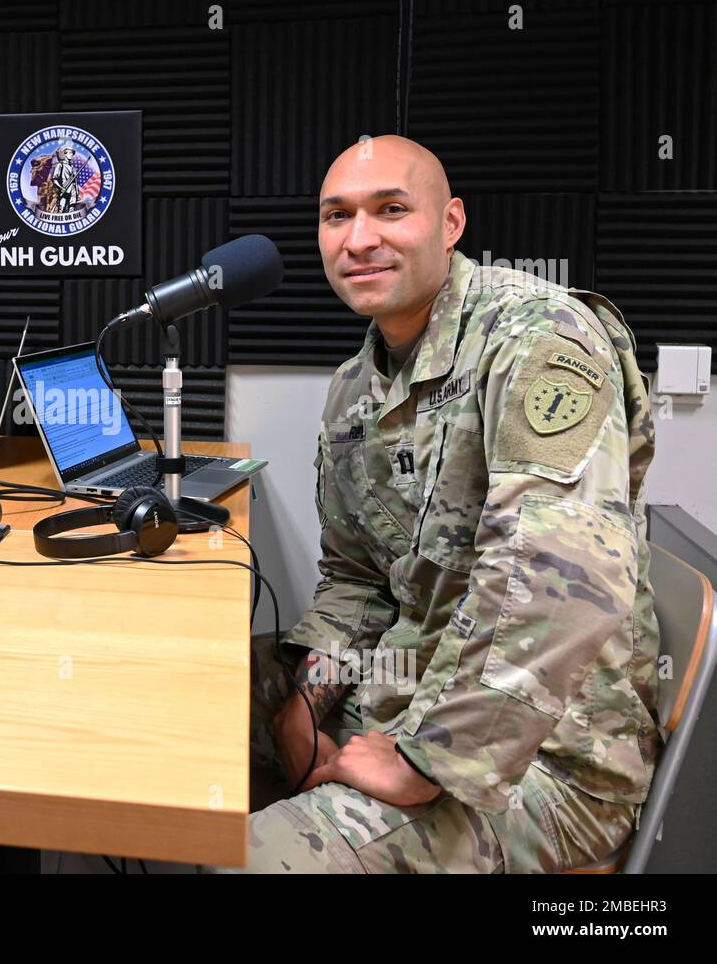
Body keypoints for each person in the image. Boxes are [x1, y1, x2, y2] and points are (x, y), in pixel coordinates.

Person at [215, 136, 658, 873]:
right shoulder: (356, 387)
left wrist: (429, 762)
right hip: (404, 682)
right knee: (180, 701)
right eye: (337, 216)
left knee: (253, 862)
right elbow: (359, 580)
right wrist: (307, 704)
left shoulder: (536, 336)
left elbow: (561, 578)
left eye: (391, 210)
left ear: (451, 223)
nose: (360, 239)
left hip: (545, 757)